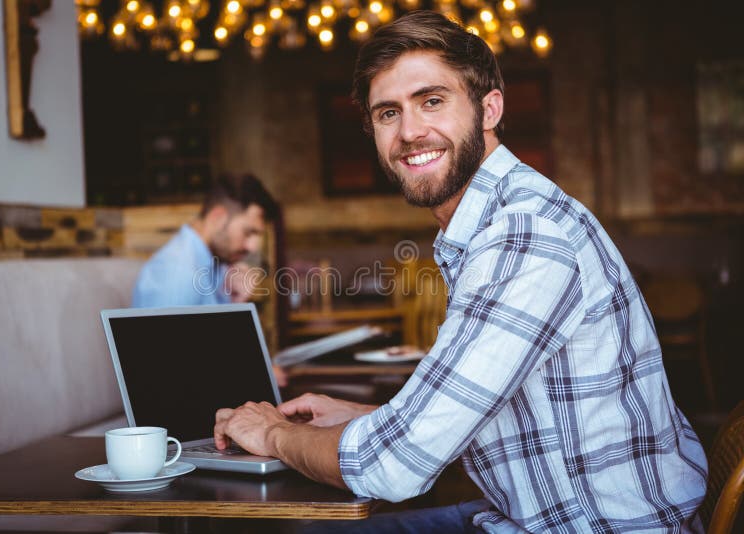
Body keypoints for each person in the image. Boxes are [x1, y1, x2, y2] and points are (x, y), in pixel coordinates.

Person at [213, 11, 707, 533]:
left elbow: (394, 467)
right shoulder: (496, 218)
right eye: (387, 113)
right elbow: (490, 411)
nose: (409, 132)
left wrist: (271, 435)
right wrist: (369, 418)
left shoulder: (525, 236)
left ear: (489, 108)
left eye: (432, 101)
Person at [132, 173, 278, 308]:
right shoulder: (178, 275)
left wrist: (232, 301)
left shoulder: (215, 264)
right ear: (218, 218)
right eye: (248, 232)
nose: (253, 247)